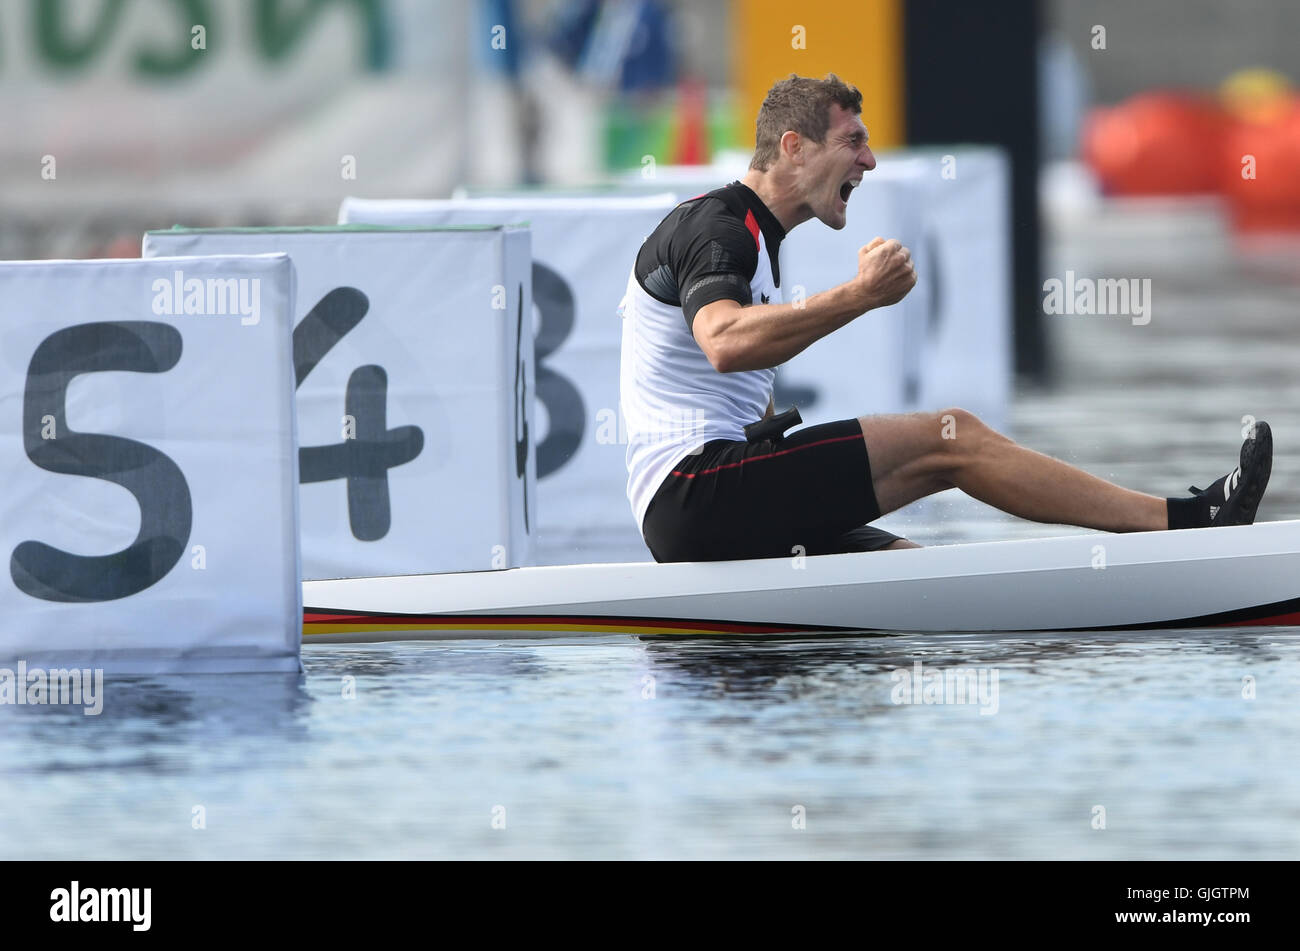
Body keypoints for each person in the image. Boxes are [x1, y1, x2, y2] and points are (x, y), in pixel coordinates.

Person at [617, 72, 1272, 563]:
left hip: (703, 501)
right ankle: (1183, 523)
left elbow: (722, 388)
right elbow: (723, 343)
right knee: (951, 437)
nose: (869, 161)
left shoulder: (756, 240)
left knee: (914, 574)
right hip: (694, 493)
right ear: (794, 146)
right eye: (853, 142)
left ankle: (1144, 565)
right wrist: (861, 294)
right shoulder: (719, 229)